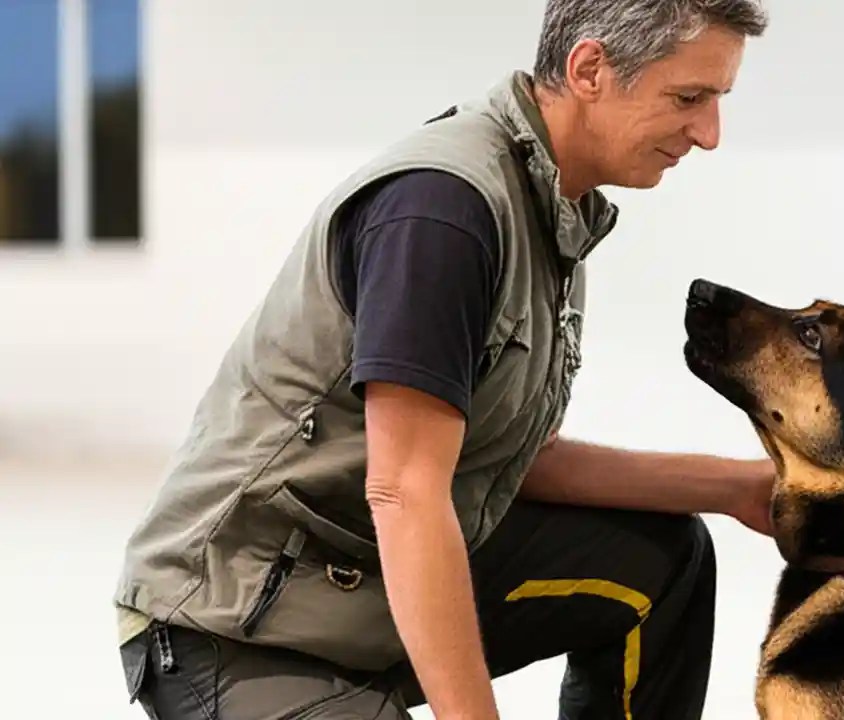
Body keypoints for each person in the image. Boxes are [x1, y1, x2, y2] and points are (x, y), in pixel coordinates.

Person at [114, 1, 771, 718]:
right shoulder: (444, 211)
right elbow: (406, 493)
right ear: (589, 70)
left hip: (366, 587)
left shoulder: (549, 209)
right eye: (689, 97)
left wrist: (739, 488)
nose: (708, 134)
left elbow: (517, 460)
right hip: (241, 630)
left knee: (663, 558)